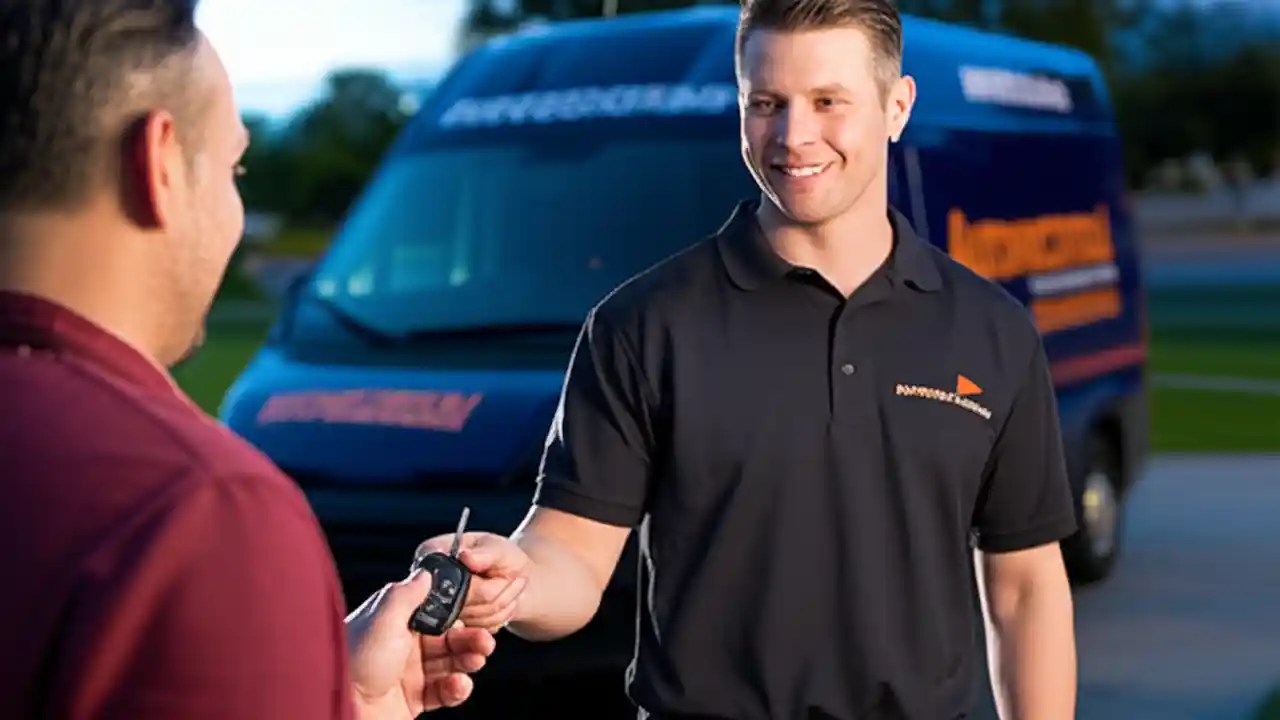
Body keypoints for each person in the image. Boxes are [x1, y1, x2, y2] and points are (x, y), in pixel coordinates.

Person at [414, 0, 1079, 718]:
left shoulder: (990, 331)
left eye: (828, 101)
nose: (794, 137)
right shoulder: (643, 324)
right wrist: (514, 581)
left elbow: (1024, 589)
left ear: (896, 106)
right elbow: (571, 555)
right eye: (767, 102)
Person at [0, 1, 494, 718]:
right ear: (160, 161)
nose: (234, 205)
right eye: (234, 167)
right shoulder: (197, 512)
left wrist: (338, 699)